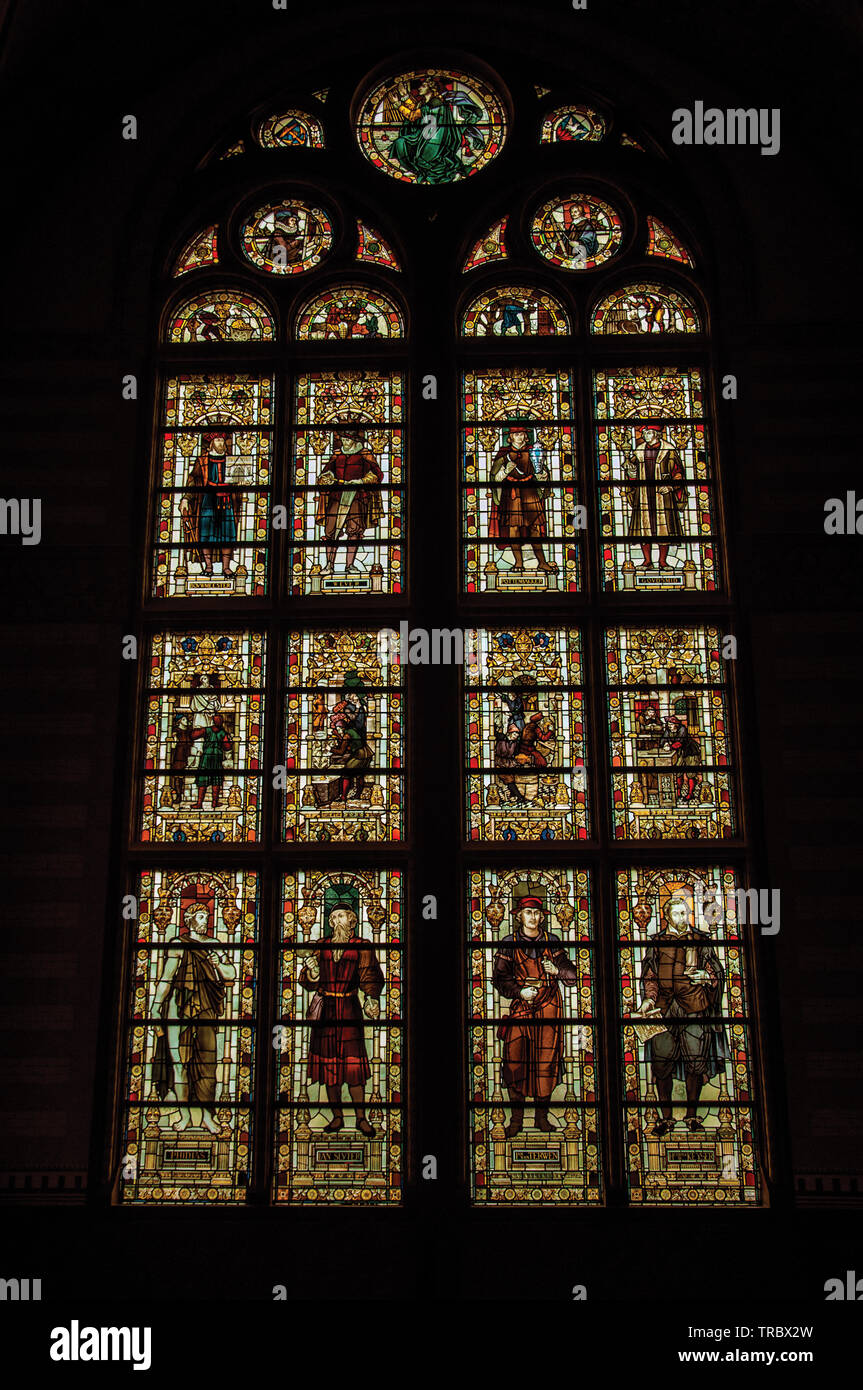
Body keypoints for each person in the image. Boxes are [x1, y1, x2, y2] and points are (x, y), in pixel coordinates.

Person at [636, 887, 730, 1136]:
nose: (682, 918)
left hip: (695, 1009)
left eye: (685, 913)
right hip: (664, 1010)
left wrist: (706, 976)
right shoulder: (656, 943)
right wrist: (648, 998)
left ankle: (691, 1115)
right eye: (677, 914)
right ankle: (666, 1117)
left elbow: (717, 972)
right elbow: (650, 975)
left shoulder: (701, 942)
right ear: (667, 917)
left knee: (696, 1063)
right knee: (661, 1063)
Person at [492, 895, 580, 1137]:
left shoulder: (552, 942)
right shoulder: (509, 942)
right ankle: (516, 1121)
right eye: (527, 912)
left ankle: (542, 1118)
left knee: (546, 1062)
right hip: (522, 1007)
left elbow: (572, 977)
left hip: (549, 1009)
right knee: (514, 1060)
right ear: (519, 916)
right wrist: (520, 991)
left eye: (536, 913)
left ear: (542, 917)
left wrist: (558, 969)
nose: (532, 917)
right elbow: (499, 978)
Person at [298, 903, 384, 1136]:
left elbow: (370, 974)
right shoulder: (322, 946)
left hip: (348, 1008)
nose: (335, 921)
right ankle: (336, 1116)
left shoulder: (362, 946)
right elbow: (307, 981)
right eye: (333, 917)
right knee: (329, 1067)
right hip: (326, 1011)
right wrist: (312, 972)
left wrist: (371, 998)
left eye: (341, 917)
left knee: (353, 1066)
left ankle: (360, 1117)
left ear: (353, 922)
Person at [150, 902, 236, 1133]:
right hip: (179, 1006)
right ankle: (184, 1113)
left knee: (208, 1064)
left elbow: (231, 974)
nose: (204, 920)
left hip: (206, 1007)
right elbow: (167, 978)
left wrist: (219, 965)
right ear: (188, 920)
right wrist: (156, 1006)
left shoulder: (214, 945)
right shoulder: (178, 945)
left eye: (206, 916)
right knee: (179, 1062)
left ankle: (208, 1115)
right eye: (199, 916)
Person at [489, 425, 558, 573]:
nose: (519, 437)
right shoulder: (504, 454)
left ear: (526, 437)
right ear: (511, 437)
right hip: (511, 494)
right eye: (516, 435)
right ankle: (518, 563)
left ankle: (542, 562)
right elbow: (495, 477)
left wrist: (542, 476)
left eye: (522, 434)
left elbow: (541, 471)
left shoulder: (533, 451)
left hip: (529, 491)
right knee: (514, 529)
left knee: (535, 528)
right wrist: (505, 470)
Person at [316, 425, 383, 575]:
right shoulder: (337, 455)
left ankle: (349, 565)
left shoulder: (365, 455)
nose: (344, 442)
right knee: (331, 531)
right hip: (337, 496)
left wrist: (362, 481)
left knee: (354, 530)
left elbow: (377, 475)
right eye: (343, 439)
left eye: (347, 439)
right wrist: (327, 478)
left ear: (355, 440)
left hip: (357, 498)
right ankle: (329, 565)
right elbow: (325, 474)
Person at [179, 430, 241, 578]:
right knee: (206, 533)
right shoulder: (202, 460)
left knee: (227, 534)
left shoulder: (231, 460)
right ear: (212, 443)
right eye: (218, 440)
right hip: (208, 499)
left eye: (222, 440)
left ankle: (226, 568)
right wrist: (186, 498)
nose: (221, 443)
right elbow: (193, 480)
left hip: (226, 501)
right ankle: (208, 567)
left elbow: (239, 477)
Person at [623, 425, 685, 569]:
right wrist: (631, 472)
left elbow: (679, 473)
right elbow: (631, 470)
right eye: (644, 433)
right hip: (644, 494)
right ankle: (647, 561)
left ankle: (662, 562)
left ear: (657, 434)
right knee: (645, 528)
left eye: (648, 432)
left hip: (663, 495)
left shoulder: (669, 451)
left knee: (664, 529)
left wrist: (671, 486)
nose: (645, 435)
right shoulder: (638, 451)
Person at [190, 713, 232, 810]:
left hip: (210, 757)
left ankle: (208, 803)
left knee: (211, 781)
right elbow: (227, 747)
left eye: (220, 720)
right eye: (218, 720)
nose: (219, 722)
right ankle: (205, 803)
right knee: (208, 781)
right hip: (214, 757)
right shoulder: (218, 732)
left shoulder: (213, 731)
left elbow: (193, 735)